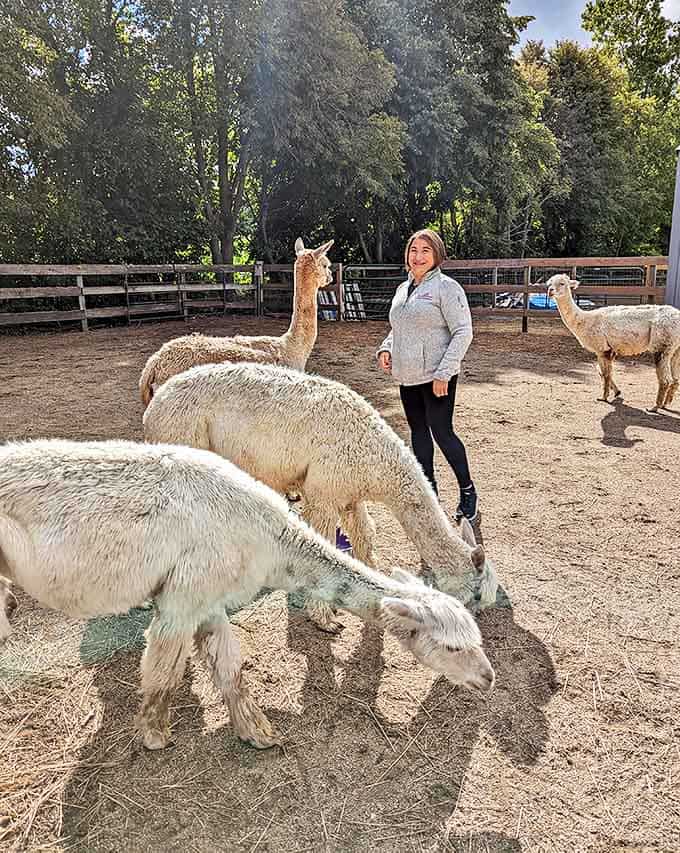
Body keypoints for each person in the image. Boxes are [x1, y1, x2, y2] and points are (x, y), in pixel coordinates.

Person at [377, 228, 478, 521]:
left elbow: (463, 332)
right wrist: (386, 349)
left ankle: (468, 491)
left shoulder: (447, 288)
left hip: (437, 377)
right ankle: (428, 493)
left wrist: (444, 372)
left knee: (442, 433)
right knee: (419, 434)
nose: (418, 256)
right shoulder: (403, 288)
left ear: (436, 255)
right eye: (413, 250)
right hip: (408, 375)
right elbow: (399, 328)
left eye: (425, 251)